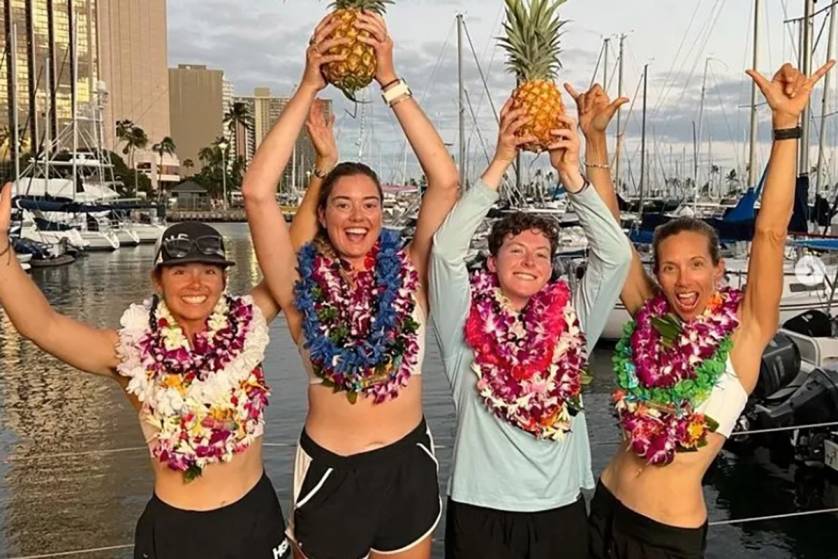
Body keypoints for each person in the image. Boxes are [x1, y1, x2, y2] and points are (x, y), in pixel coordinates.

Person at [585, 60, 835, 559]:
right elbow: (612, 237)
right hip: (603, 509)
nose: (683, 279)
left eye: (696, 264)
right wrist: (594, 141)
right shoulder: (653, 322)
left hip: (664, 536)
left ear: (719, 271)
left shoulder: (746, 334)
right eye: (670, 268)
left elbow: (769, 232)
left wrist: (786, 127)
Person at [242, 11, 459, 559]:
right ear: (324, 214)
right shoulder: (299, 288)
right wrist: (308, 84)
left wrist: (391, 79)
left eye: (370, 204)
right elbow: (257, 194)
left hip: (408, 465)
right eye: (342, 204)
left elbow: (446, 180)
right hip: (332, 475)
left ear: (385, 214)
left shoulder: (411, 274)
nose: (357, 216)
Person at [0, 184, 291, 558]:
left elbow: (287, 255)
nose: (195, 284)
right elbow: (43, 326)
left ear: (223, 280)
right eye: (180, 270)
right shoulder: (130, 350)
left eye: (208, 271)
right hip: (177, 533)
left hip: (255, 517)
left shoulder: (249, 324)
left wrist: (322, 165)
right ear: (158, 279)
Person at [429, 95, 632, 558]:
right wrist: (501, 161)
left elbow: (616, 255)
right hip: (480, 507)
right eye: (516, 250)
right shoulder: (463, 316)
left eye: (542, 254)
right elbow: (443, 252)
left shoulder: (572, 321)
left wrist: (572, 177)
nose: (529, 260)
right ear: (492, 261)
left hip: (558, 509)